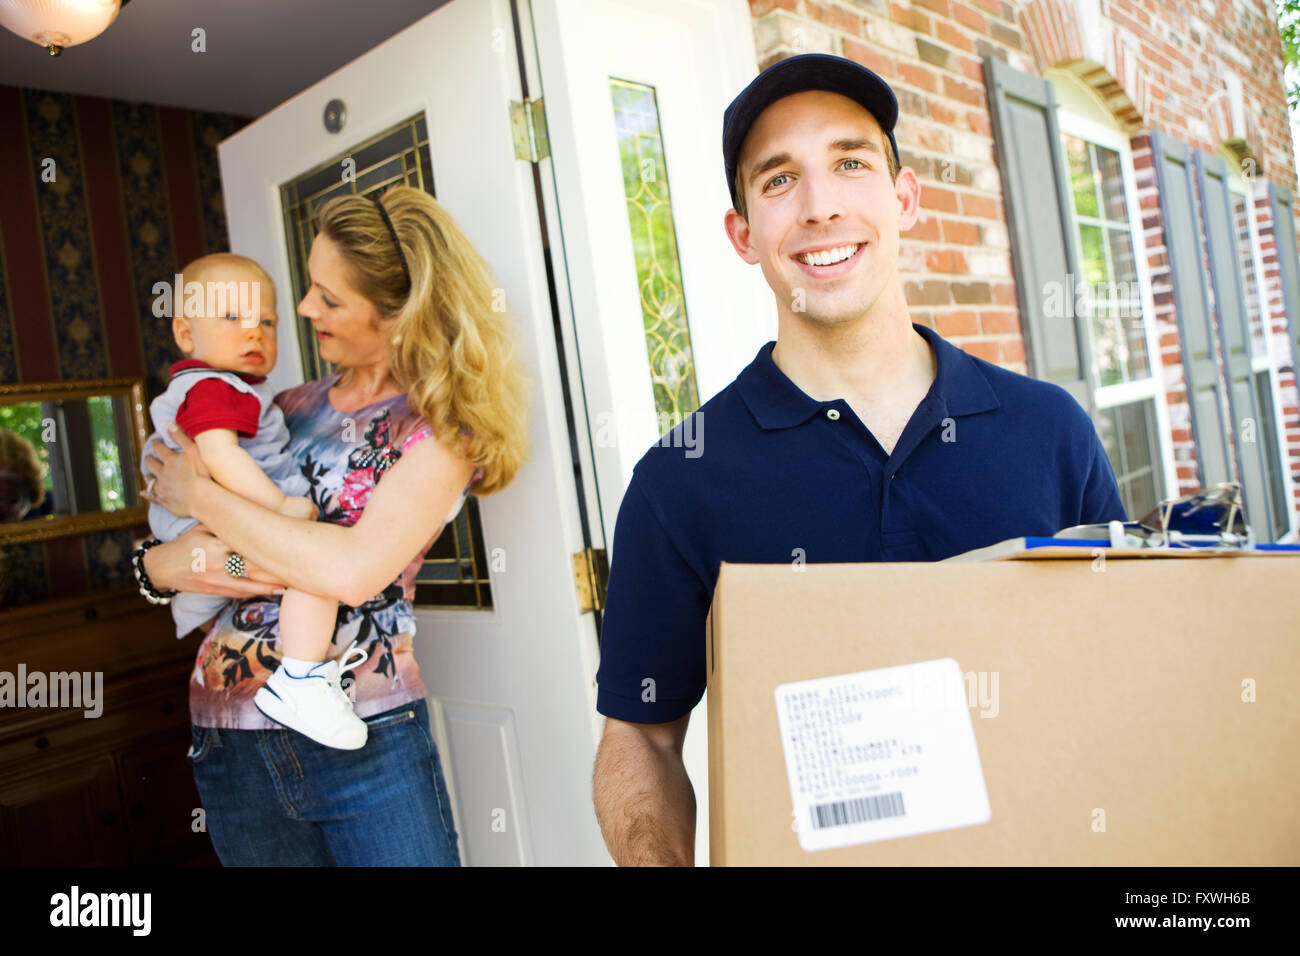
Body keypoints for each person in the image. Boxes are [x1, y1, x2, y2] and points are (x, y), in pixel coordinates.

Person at [590, 53, 1126, 866]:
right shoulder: (681, 479)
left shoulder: (1048, 431)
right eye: (778, 180)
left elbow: (1122, 675)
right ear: (742, 236)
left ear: (903, 199)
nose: (820, 207)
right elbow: (642, 739)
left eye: (850, 163)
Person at [137, 185, 529, 865]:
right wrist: (163, 566)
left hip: (366, 745)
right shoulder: (281, 406)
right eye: (310, 287)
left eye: (329, 296)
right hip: (229, 737)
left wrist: (202, 501)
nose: (301, 308)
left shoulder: (438, 432)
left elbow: (350, 571)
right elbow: (189, 564)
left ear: (398, 313)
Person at [139, 252, 370, 749]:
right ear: (185, 333)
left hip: (209, 538)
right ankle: (302, 679)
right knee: (313, 564)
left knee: (312, 563)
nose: (254, 332)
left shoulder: (226, 388)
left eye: (267, 321)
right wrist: (280, 508)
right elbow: (221, 457)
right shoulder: (218, 389)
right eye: (233, 318)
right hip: (219, 532)